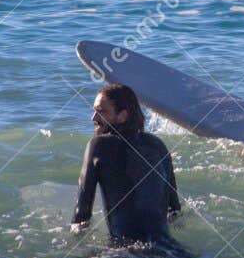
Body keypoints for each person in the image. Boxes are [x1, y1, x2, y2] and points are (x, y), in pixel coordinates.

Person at [72, 83, 182, 249]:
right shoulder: (157, 145)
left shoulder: (98, 145)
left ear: (122, 115)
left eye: (102, 112)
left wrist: (75, 242)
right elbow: (174, 210)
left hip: (126, 249)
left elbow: (82, 212)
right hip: (166, 246)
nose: (93, 118)